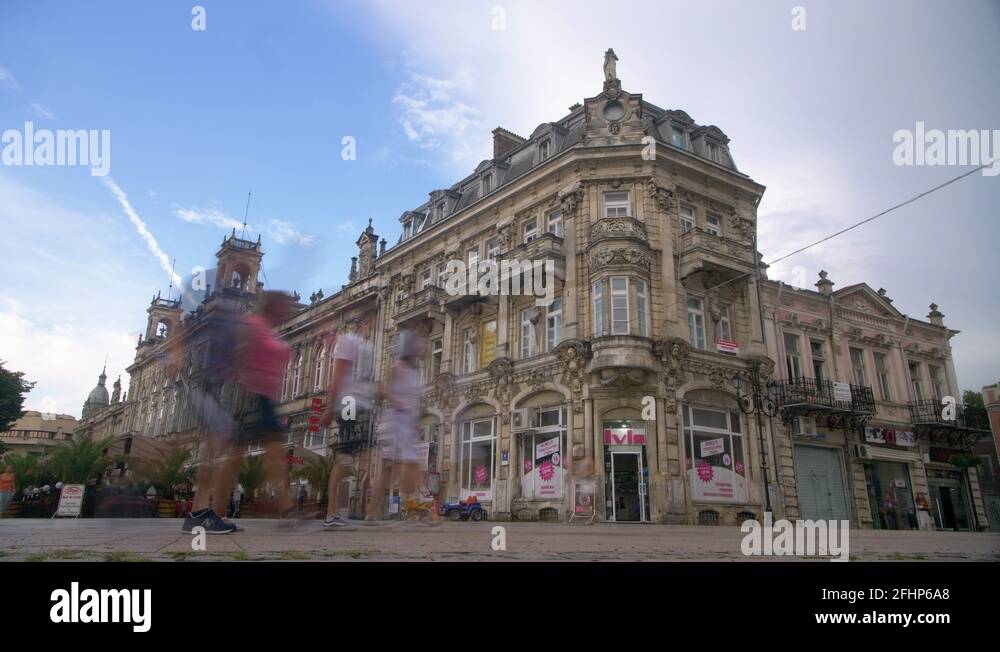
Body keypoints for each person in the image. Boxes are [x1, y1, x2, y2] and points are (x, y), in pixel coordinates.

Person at [367, 330, 439, 526]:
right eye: (419, 344)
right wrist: (396, 401)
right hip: (394, 422)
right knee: (408, 464)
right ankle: (415, 507)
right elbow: (380, 389)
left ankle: (372, 514)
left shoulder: (416, 371)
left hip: (405, 423)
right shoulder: (397, 367)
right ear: (409, 347)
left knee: (388, 471)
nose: (423, 347)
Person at [318, 321, 375, 529]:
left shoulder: (354, 342)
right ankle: (331, 513)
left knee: (358, 455)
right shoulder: (348, 343)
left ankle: (338, 512)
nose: (326, 339)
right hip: (350, 402)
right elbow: (337, 378)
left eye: (326, 334)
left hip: (359, 402)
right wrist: (329, 408)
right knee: (344, 456)